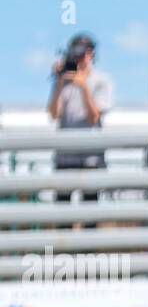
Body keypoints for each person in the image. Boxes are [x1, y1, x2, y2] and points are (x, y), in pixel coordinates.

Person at [47, 33, 114, 203]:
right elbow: (54, 114)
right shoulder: (63, 80)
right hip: (65, 155)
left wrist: (83, 86)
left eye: (81, 54)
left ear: (91, 54)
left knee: (90, 208)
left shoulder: (101, 80)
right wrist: (59, 83)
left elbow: (94, 117)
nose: (77, 58)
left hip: (91, 156)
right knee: (62, 208)